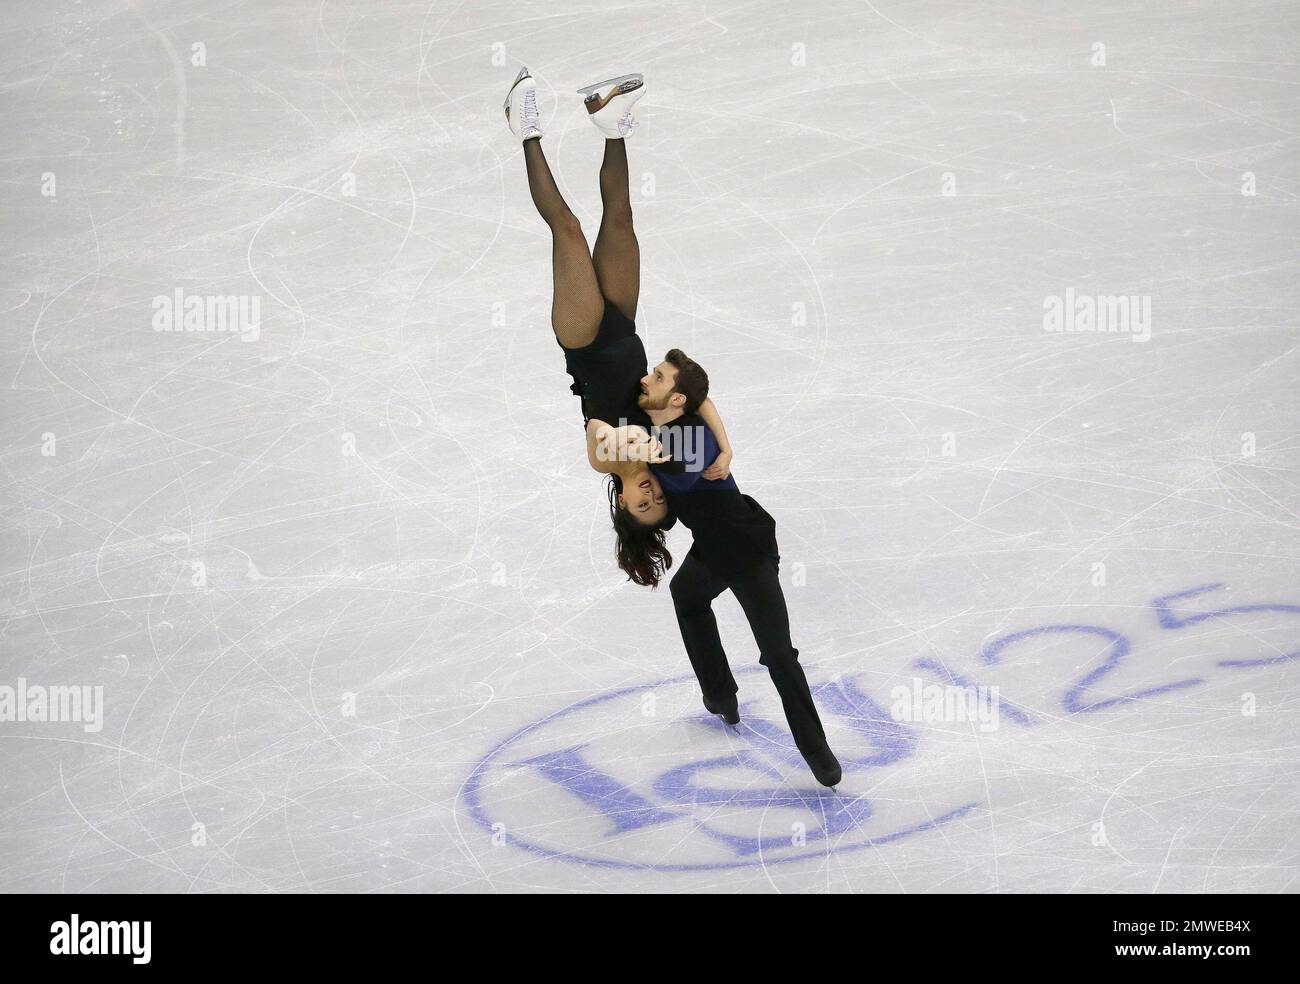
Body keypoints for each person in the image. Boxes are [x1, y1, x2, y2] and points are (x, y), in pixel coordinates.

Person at [505, 67, 840, 786]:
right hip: (624, 328)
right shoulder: (655, 454)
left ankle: (526, 129)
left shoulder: (606, 457)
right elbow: (685, 409)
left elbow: (633, 441)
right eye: (658, 501)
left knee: (568, 230)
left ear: (624, 505)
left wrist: (664, 446)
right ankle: (608, 120)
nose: (652, 495)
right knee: (617, 222)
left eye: (644, 502)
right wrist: (704, 439)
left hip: (586, 339)